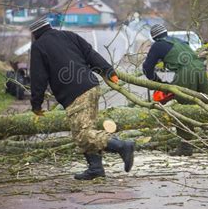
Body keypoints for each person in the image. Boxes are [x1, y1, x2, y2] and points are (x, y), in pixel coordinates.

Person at [29, 17, 135, 180]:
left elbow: (38, 77)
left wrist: (36, 104)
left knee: (82, 134)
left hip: (75, 92)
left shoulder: (38, 46)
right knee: (85, 129)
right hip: (91, 86)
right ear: (49, 27)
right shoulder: (68, 35)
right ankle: (95, 168)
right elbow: (90, 54)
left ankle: (121, 146)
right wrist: (108, 71)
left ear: (35, 34)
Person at [143, 24, 208, 155]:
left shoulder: (157, 45)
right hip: (200, 70)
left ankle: (185, 147)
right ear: (166, 33)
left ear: (154, 37)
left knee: (182, 108)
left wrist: (159, 83)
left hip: (185, 74)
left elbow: (147, 68)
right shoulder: (180, 41)